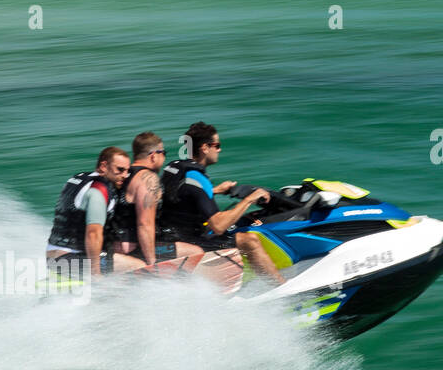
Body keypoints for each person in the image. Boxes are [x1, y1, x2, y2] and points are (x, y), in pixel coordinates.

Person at [160, 122, 286, 284]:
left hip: (170, 234)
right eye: (217, 145)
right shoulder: (198, 178)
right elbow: (217, 226)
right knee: (249, 240)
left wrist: (215, 191)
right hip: (191, 239)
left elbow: (180, 196)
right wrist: (250, 199)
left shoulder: (174, 168)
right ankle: (280, 288)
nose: (219, 150)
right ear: (205, 148)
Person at [46, 147, 146, 279]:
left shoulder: (78, 179)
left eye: (127, 171)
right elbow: (93, 233)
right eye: (120, 169)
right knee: (138, 266)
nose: (124, 175)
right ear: (104, 166)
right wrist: (95, 273)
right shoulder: (99, 190)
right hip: (72, 259)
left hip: (53, 256)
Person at [108, 132, 204, 268]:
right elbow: (144, 224)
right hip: (135, 248)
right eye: (163, 153)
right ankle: (182, 286)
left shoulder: (123, 175)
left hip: (115, 243)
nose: (164, 158)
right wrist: (151, 264)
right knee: (196, 252)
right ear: (153, 155)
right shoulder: (148, 179)